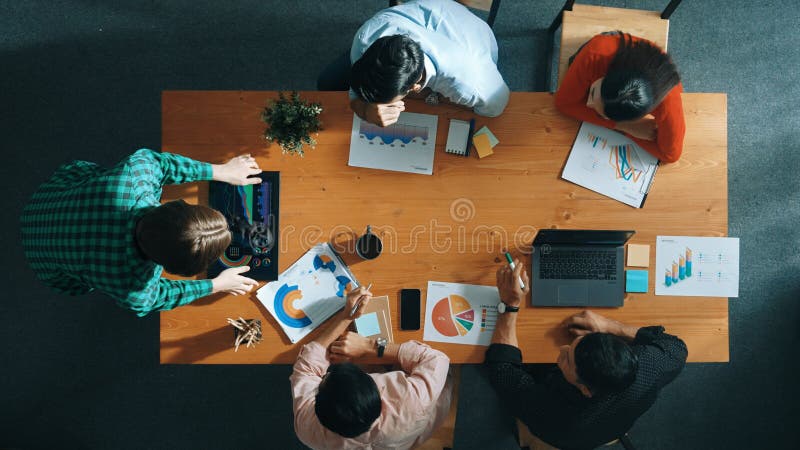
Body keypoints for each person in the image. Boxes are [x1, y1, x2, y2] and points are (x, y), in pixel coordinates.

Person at [20, 149, 262, 316]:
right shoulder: (133, 288)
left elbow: (164, 164)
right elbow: (160, 297)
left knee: (90, 174)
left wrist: (220, 171)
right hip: (43, 263)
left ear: (176, 205)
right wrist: (217, 285)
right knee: (79, 285)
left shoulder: (135, 175)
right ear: (172, 269)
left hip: (46, 202)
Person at [485, 260, 688, 449]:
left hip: (568, 435)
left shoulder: (552, 414)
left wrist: (510, 305)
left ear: (585, 389)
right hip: (615, 423)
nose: (562, 349)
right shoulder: (650, 365)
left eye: (567, 359)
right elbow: (678, 347)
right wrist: (610, 326)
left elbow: (502, 368)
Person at [291, 286, 452, 449]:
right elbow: (437, 359)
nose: (324, 375)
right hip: (413, 426)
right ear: (375, 389)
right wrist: (370, 347)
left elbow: (307, 367)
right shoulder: (413, 400)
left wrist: (346, 317)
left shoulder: (308, 429)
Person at [319, 0, 510, 127]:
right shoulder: (368, 37)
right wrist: (365, 111)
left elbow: (495, 108)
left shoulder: (472, 84)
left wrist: (431, 98)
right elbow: (355, 93)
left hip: (474, 37)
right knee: (326, 82)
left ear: (415, 88)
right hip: (433, 9)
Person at [554, 32, 685, 163]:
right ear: (605, 75)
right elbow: (563, 103)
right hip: (610, 50)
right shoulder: (595, 53)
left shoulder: (669, 103)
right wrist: (625, 126)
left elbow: (671, 155)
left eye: (603, 115)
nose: (587, 104)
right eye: (592, 92)